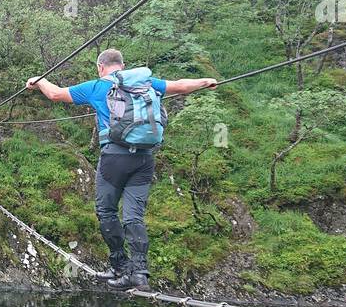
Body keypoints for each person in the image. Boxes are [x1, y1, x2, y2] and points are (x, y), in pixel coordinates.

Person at [25, 48, 218, 290]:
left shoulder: (97, 86)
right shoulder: (146, 84)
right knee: (134, 216)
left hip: (114, 158)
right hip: (145, 158)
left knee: (106, 211)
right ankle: (140, 273)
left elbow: (54, 94)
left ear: (100, 67)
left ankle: (119, 265)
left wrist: (38, 81)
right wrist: (205, 81)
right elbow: (179, 86)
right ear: (123, 66)